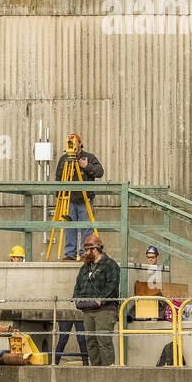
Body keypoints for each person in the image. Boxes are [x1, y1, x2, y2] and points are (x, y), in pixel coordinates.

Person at [54, 133, 104, 261]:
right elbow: (59, 178)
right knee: (69, 227)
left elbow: (100, 172)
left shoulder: (89, 158)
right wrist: (58, 196)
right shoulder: (64, 159)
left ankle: (84, 253)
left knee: (86, 227)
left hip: (85, 199)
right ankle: (70, 254)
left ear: (80, 144)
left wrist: (86, 166)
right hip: (69, 200)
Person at [72, 235, 121, 366]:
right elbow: (78, 285)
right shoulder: (85, 267)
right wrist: (77, 298)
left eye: (87, 250)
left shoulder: (110, 265)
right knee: (91, 341)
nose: (85, 253)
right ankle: (96, 368)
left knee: (103, 340)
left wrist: (101, 299)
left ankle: (107, 371)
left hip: (105, 310)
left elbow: (112, 285)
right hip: (88, 310)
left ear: (95, 249)